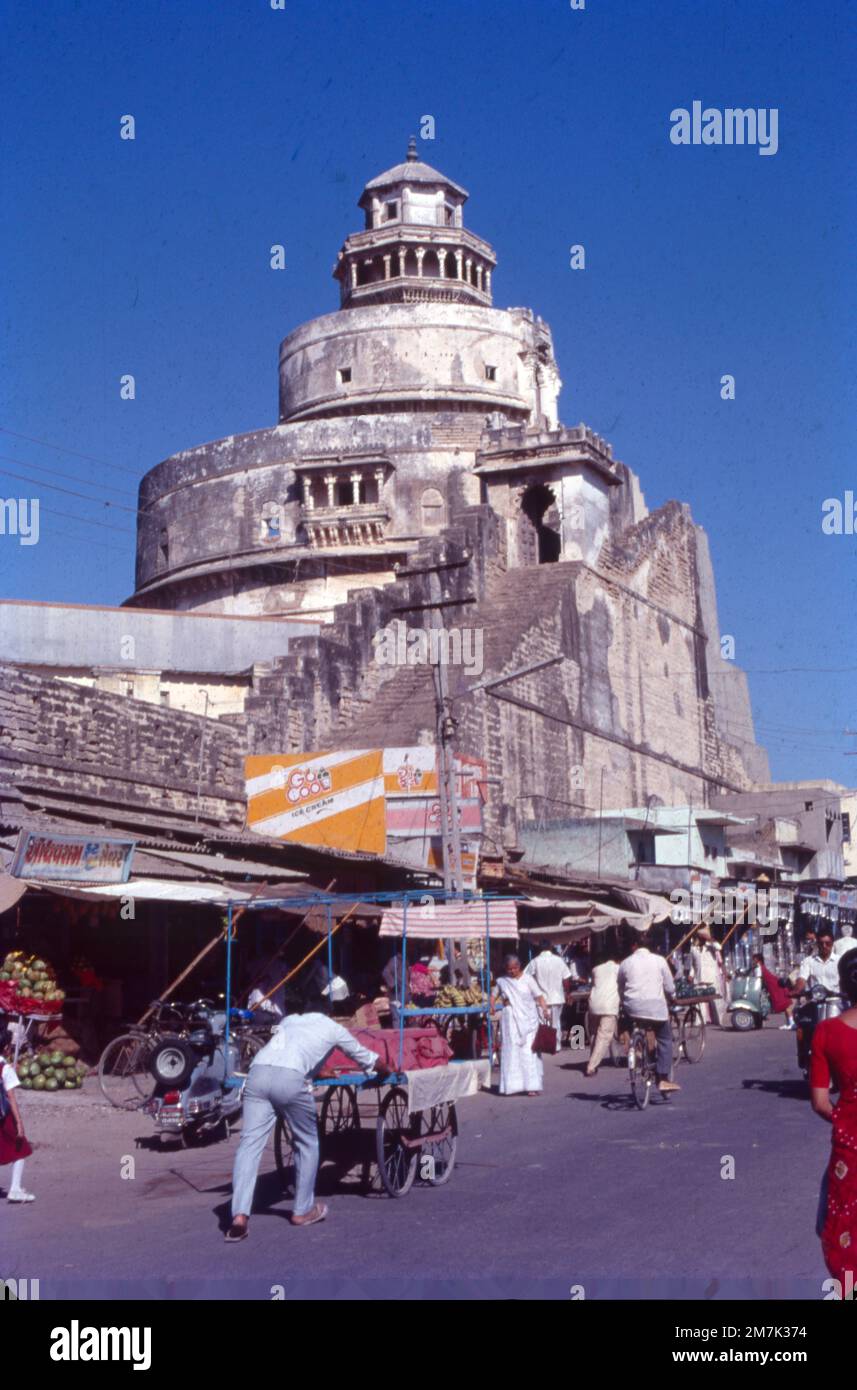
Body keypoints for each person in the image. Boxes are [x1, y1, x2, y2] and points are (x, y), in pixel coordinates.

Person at [226, 992, 394, 1242]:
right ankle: (302, 1210)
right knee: (307, 1143)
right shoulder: (333, 1028)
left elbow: (291, 1050)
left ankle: (239, 1216)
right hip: (290, 1079)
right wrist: (386, 1069)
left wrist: (318, 1069)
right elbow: (364, 1057)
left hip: (258, 1073)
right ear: (329, 1013)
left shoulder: (289, 1021)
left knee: (249, 1145)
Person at [810, 949, 857, 1295]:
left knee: (839, 1220)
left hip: (849, 1148)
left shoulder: (827, 1031)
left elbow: (820, 1102)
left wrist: (844, 1119)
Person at [617, 931, 680, 1094]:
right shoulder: (660, 961)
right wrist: (672, 997)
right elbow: (669, 987)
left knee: (639, 1027)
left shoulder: (625, 963)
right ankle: (664, 1078)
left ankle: (639, 1050)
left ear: (634, 946)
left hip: (632, 1008)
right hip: (656, 1008)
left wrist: (625, 1003)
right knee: (665, 1038)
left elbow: (620, 987)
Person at [494, 954, 548, 1096]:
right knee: (511, 1051)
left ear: (520, 966)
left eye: (515, 968)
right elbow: (494, 995)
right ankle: (512, 1086)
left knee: (529, 1052)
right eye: (509, 969)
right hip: (510, 1021)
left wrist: (545, 1009)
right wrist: (493, 1005)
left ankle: (532, 1086)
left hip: (528, 1020)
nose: (512, 971)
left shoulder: (528, 979)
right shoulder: (502, 981)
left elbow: (539, 996)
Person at [0, 1024, 35, 1203]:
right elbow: (12, 1098)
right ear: (6, 1048)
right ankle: (14, 1189)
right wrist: (19, 1122)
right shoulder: (5, 1069)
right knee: (20, 1149)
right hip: (3, 1118)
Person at [524, 943, 573, 1052]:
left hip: (540, 999)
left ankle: (544, 1044)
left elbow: (526, 977)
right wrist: (567, 992)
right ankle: (556, 1045)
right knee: (556, 1022)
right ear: (551, 949)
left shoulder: (535, 961)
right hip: (557, 997)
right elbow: (566, 978)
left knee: (542, 1022)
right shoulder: (559, 960)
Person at [584, 949, 621, 1076]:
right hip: (609, 1006)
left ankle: (592, 1059)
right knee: (604, 1036)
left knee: (595, 1034)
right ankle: (591, 1066)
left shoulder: (596, 969)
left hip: (594, 1004)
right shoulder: (619, 969)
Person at [689, 926, 727, 1025]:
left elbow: (719, 947)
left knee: (715, 1000)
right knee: (699, 1000)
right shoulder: (693, 948)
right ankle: (700, 1021)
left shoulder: (712, 946)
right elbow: (693, 964)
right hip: (699, 977)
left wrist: (709, 938)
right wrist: (691, 974)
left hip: (711, 976)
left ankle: (719, 1020)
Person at [751, 952, 795, 1030]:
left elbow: (758, 980)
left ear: (758, 960)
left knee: (786, 1005)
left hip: (776, 987)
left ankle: (792, 1023)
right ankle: (788, 1023)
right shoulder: (761, 967)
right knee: (785, 1006)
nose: (753, 961)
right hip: (775, 986)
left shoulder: (758, 968)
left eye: (754, 959)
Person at [794, 927, 841, 997]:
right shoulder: (809, 961)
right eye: (821, 943)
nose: (824, 946)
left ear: (832, 943)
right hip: (815, 1000)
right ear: (817, 944)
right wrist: (797, 990)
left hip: (835, 1001)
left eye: (827, 943)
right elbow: (802, 978)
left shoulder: (840, 961)